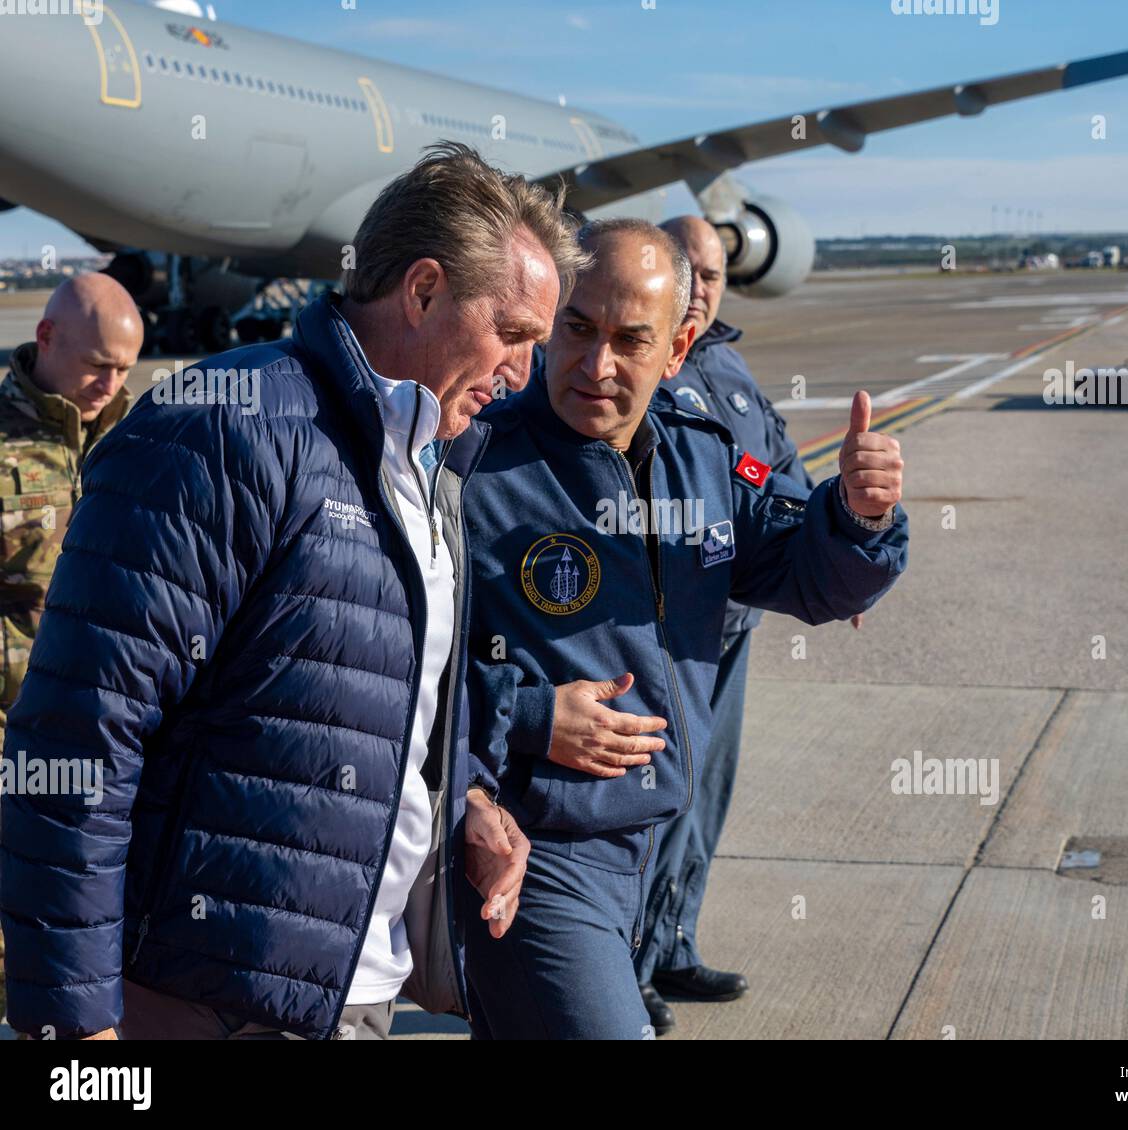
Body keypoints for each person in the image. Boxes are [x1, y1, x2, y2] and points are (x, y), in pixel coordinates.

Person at [0, 142, 585, 1040]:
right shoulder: (223, 428)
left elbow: (373, 694)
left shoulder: (432, 463)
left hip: (357, 988)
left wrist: (463, 798)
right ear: (422, 291)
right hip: (203, 1000)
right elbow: (79, 736)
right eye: (512, 334)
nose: (521, 373)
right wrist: (73, 1029)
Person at [460, 217, 908, 1039]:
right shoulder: (472, 467)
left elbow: (808, 577)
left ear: (678, 348)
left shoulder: (701, 458)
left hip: (648, 856)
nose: (597, 366)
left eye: (631, 341)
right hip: (536, 856)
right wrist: (525, 715)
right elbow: (382, 666)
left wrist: (856, 518)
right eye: (578, 329)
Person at [636, 216, 815, 1033]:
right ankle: (625, 965)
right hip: (670, 627)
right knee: (655, 799)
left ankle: (674, 943)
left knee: (706, 795)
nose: (702, 289)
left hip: (737, 621)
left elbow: (779, 471)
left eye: (713, 275)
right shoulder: (643, 371)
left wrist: (827, 549)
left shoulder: (731, 369)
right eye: (688, 273)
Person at [0, 273, 141, 1026]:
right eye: (97, 366)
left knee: (81, 964)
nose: (110, 384)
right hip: (14, 746)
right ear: (45, 339)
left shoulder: (135, 438)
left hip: (109, 755)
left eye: (124, 368)